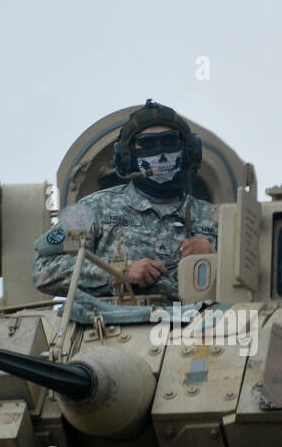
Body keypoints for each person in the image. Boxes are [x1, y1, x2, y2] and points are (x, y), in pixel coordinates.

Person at [32, 101, 218, 300]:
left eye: (169, 142)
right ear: (128, 156)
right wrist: (119, 273)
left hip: (198, 327)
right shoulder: (90, 208)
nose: (161, 154)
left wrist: (215, 259)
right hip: (111, 327)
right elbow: (43, 269)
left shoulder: (214, 218)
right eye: (147, 144)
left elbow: (249, 284)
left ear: (188, 151)